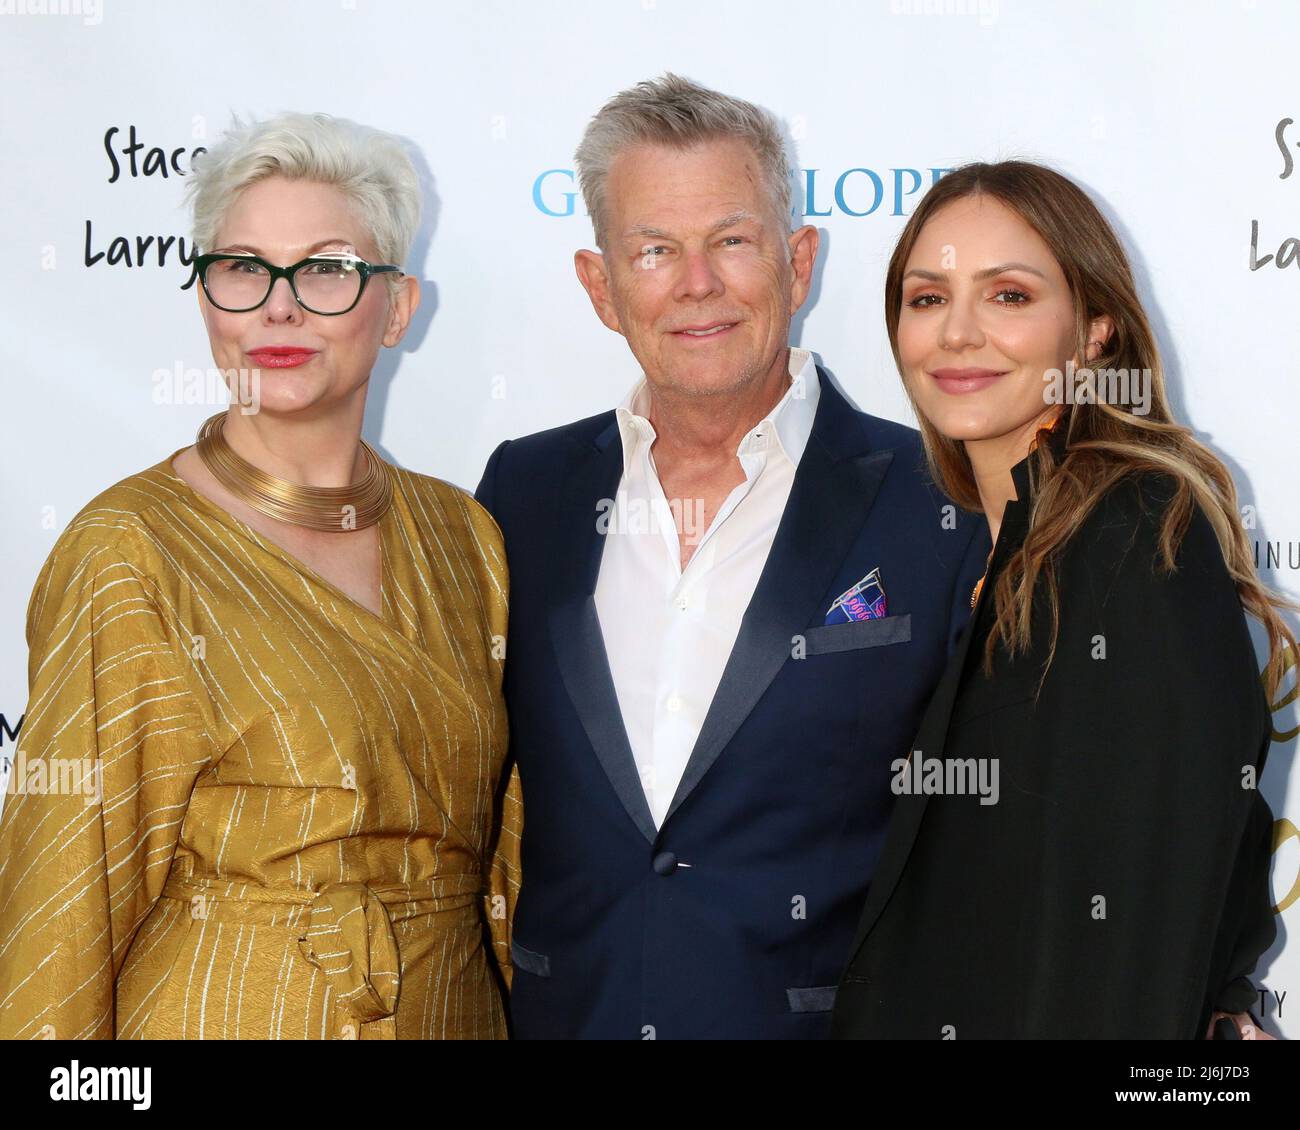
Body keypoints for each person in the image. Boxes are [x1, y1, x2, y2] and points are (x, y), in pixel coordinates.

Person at [474, 74, 988, 1039]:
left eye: (732, 241)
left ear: (799, 262)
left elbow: (1023, 822)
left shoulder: (940, 500)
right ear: (601, 286)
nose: (696, 284)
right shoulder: (519, 496)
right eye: (655, 250)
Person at [0, 112, 520, 1040]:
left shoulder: (464, 537)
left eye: (326, 269)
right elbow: (61, 903)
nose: (278, 308)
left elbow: (510, 862)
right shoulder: (130, 551)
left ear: (396, 307)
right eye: (242, 268)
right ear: (206, 298)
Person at [832, 160, 1295, 1039]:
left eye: (1008, 296)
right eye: (927, 299)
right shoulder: (993, 541)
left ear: (1094, 332)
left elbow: (1129, 938)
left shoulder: (1131, 533)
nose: (957, 334)